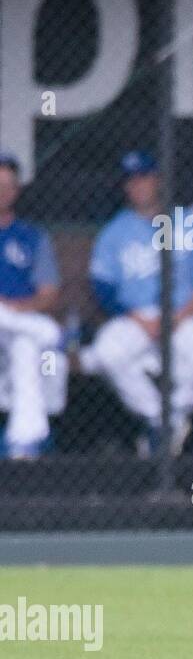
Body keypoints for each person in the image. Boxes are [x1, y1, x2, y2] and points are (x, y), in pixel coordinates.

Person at [80, 151, 193, 456]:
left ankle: (167, 418)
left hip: (182, 317)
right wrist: (139, 319)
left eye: (144, 178)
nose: (138, 186)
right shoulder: (115, 231)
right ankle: (159, 420)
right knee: (104, 356)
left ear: (158, 180)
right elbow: (104, 289)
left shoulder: (187, 222)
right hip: (135, 319)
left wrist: (179, 317)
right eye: (132, 180)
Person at [0, 153, 61, 459]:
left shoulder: (32, 237)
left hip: (14, 328)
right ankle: (28, 437)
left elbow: (48, 294)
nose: (2, 192)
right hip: (22, 325)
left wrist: (10, 309)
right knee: (40, 335)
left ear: (17, 191)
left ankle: (22, 441)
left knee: (25, 346)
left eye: (8, 185)